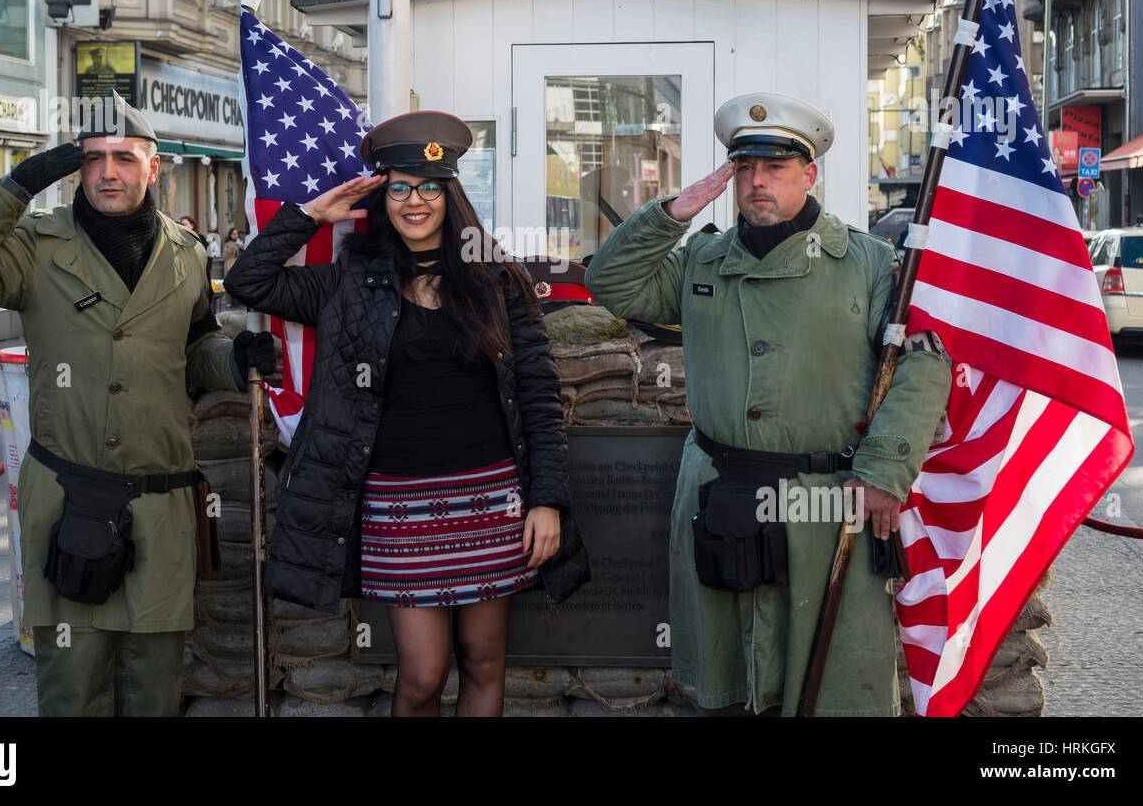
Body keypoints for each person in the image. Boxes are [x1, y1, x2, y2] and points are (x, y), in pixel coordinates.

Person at [585, 92, 951, 717]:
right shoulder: (702, 257)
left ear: (810, 175)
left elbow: (926, 362)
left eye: (775, 168)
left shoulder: (869, 263)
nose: (757, 182)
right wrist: (674, 212)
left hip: (826, 502)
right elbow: (611, 282)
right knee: (730, 687)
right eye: (745, 168)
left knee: (831, 686)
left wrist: (886, 472)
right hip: (722, 497)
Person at [225, 110, 589, 717]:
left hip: (492, 500)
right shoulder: (349, 283)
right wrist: (312, 215)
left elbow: (539, 399)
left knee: (482, 663)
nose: (412, 201)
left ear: (450, 194)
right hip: (396, 507)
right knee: (422, 676)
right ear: (381, 195)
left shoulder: (498, 281)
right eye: (397, 187)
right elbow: (248, 281)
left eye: (427, 186)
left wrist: (546, 499)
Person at [0, 89, 275, 717]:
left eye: (123, 157)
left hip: (161, 504)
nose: (107, 172)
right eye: (91, 159)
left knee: (154, 689)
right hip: (70, 498)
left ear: (154, 165)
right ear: (75, 168)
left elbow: (194, 348)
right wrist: (20, 183)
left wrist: (236, 360)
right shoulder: (36, 246)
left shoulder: (187, 253)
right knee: (74, 687)